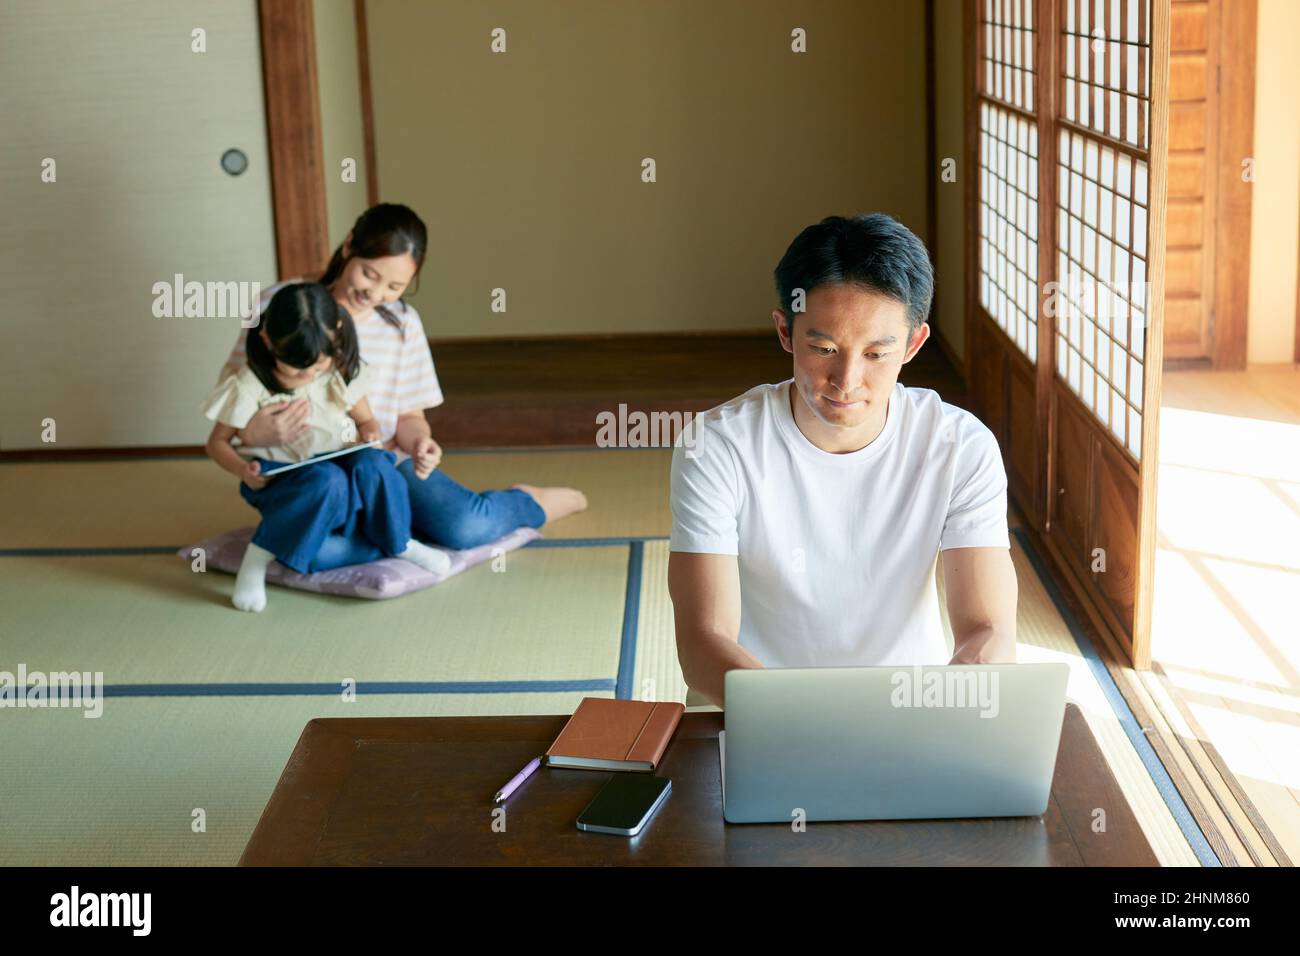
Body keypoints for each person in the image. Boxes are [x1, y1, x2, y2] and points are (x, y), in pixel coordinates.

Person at [668, 213, 1018, 707]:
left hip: (909, 709)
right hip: (752, 705)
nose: (846, 379)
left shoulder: (959, 446)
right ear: (786, 332)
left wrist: (948, 708)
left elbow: (989, 630)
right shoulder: (718, 446)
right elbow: (702, 643)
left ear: (914, 344)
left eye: (877, 354)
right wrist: (805, 718)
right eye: (824, 347)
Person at [219, 203, 586, 568]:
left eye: (395, 286)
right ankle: (397, 533)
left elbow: (410, 416)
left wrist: (421, 444)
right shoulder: (280, 305)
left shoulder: (403, 324)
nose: (376, 293)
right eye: (369, 274)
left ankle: (527, 500)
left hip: (383, 466)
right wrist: (253, 434)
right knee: (315, 554)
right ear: (349, 246)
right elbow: (235, 404)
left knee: (466, 527)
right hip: (309, 474)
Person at [203, 283, 452, 611]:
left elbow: (366, 422)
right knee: (326, 482)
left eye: (317, 367)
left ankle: (399, 541)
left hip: (339, 458)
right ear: (267, 339)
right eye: (297, 370)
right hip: (284, 475)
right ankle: (258, 556)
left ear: (335, 336)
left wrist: (371, 434)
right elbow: (216, 443)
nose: (309, 375)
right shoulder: (250, 384)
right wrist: (242, 470)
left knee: (374, 463)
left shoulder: (338, 369)